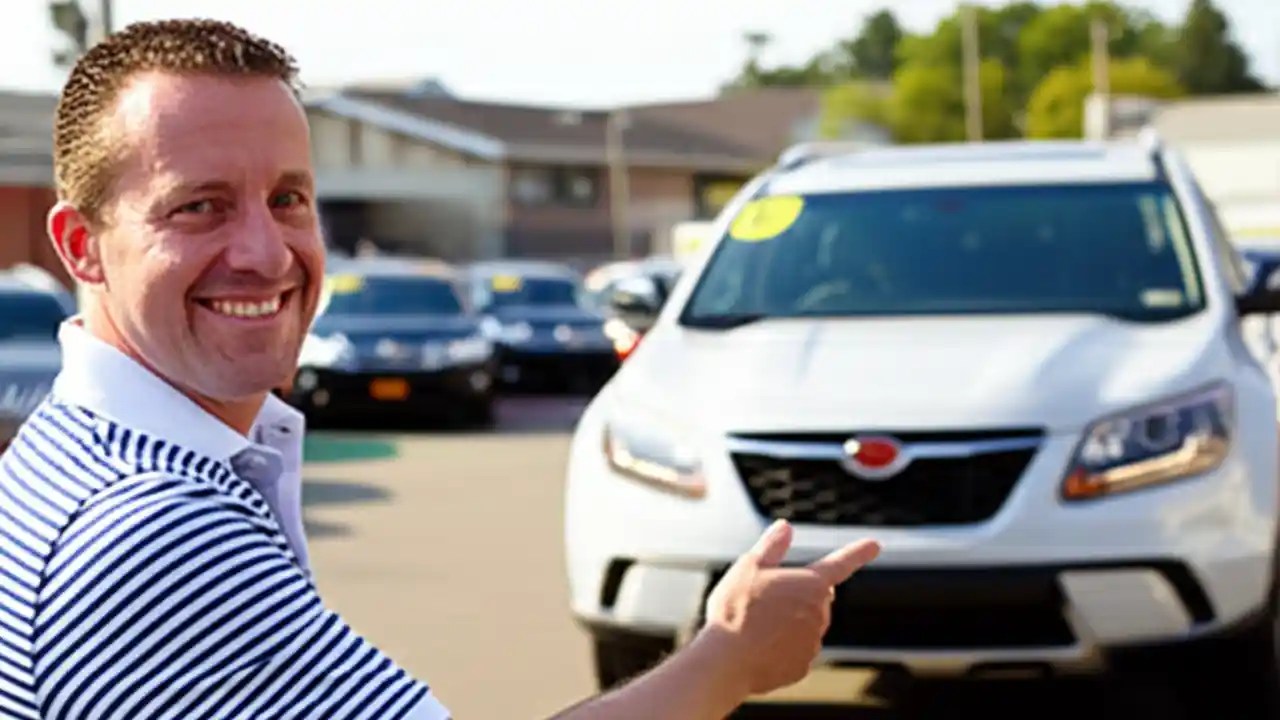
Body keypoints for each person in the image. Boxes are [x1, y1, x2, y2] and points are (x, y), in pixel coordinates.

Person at [0, 18, 881, 720]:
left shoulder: (66, 455)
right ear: (84, 247)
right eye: (199, 207)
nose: (266, 253)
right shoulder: (158, 534)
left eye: (288, 199)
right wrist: (727, 660)